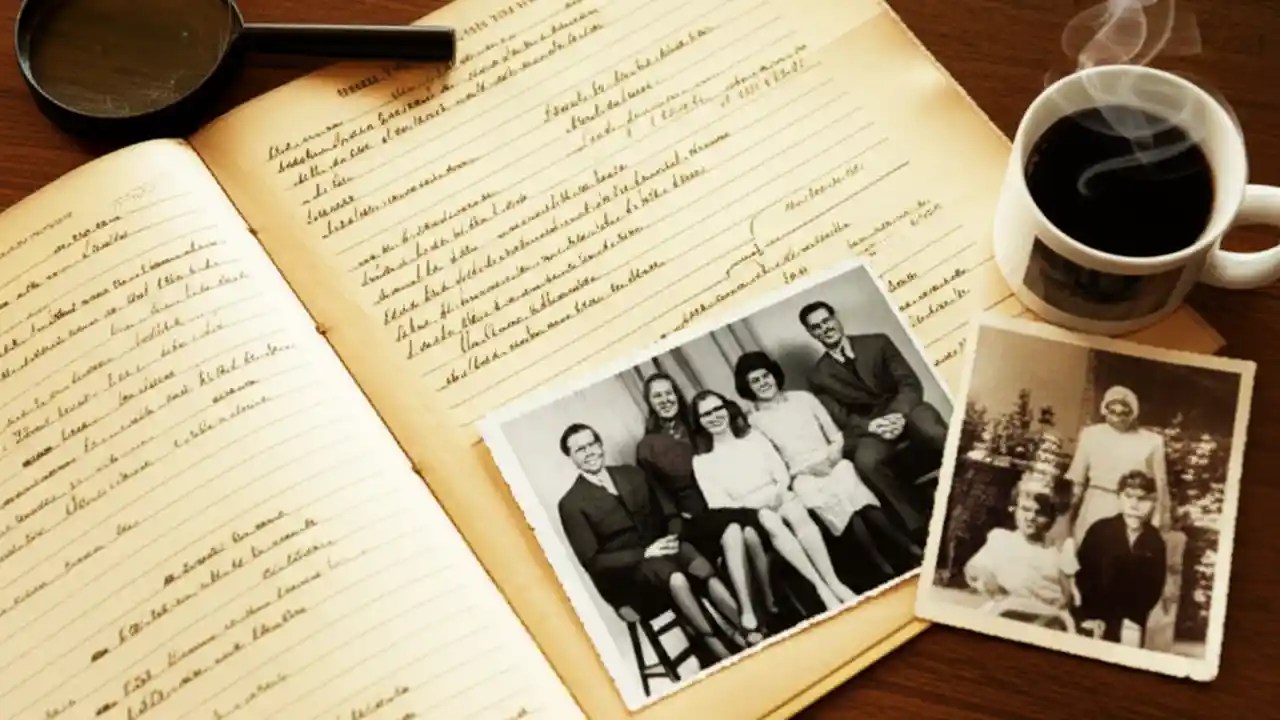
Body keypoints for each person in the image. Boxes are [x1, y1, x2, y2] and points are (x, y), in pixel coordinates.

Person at [556, 423, 737, 660]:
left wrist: (672, 537)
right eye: (580, 449)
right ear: (570, 457)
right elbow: (594, 561)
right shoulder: (571, 504)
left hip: (664, 551)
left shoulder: (631, 474)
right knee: (675, 575)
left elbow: (670, 512)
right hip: (629, 579)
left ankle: (745, 629)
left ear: (600, 445)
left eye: (592, 444)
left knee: (696, 560)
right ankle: (717, 644)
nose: (589, 452)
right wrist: (645, 554)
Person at [732, 351, 923, 576]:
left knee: (851, 486)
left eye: (765, 376)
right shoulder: (754, 422)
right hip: (801, 476)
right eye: (755, 381)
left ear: (774, 375)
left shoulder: (804, 399)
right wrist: (805, 471)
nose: (763, 383)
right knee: (836, 503)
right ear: (748, 388)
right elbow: (774, 464)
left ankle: (907, 547)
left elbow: (835, 436)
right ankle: (881, 564)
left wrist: (832, 457)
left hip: (832, 460)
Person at [635, 372, 774, 645]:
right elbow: (659, 496)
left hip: (731, 501)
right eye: (657, 396)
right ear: (649, 403)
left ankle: (766, 611)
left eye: (669, 393)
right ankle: (755, 616)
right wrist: (677, 523)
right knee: (734, 530)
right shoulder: (647, 447)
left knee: (748, 534)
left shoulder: (699, 423)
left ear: (677, 394)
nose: (665, 400)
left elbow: (733, 446)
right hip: (694, 516)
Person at [688, 390, 857, 612]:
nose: (715, 416)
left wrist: (778, 493)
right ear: (699, 422)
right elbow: (718, 503)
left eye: (718, 409)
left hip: (778, 496)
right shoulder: (702, 461)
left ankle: (834, 582)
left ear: (727, 409)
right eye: (706, 414)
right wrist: (758, 505)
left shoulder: (754, 438)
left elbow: (781, 473)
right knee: (771, 521)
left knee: (796, 511)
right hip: (749, 513)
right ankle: (821, 588)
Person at [798, 301, 947, 532]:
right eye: (816, 327)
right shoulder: (818, 375)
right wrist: (872, 426)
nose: (825, 328)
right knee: (866, 462)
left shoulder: (878, 343)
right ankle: (920, 525)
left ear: (836, 318)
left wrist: (897, 415)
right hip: (872, 427)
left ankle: (975, 483)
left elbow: (909, 383)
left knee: (933, 431)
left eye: (827, 321)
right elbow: (841, 416)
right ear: (811, 333)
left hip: (908, 410)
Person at [964, 472, 1079, 631]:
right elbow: (973, 568)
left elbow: (1068, 594)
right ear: (1014, 508)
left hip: (1047, 618)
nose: (1031, 517)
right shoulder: (1002, 539)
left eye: (1040, 513)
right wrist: (984, 576)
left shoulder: (1058, 548)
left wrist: (1063, 599)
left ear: (1052, 517)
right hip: (1007, 610)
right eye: (1025, 509)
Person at [1064, 385, 1170, 545]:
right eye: (1113, 411)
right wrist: (1064, 515)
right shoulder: (1091, 434)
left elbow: (1160, 485)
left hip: (1132, 508)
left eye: (1124, 413)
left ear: (1134, 412)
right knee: (1089, 549)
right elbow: (1076, 478)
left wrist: (1159, 518)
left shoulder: (1152, 441)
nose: (1118, 418)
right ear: (1104, 409)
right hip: (1095, 504)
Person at [1073, 470, 1168, 646]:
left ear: (1153, 502)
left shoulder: (1154, 540)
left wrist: (1133, 617)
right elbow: (1083, 575)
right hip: (1094, 617)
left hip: (1133, 621)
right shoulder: (1100, 531)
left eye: (1143, 499)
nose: (1134, 505)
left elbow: (1154, 586)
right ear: (1119, 497)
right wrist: (1090, 615)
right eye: (1128, 496)